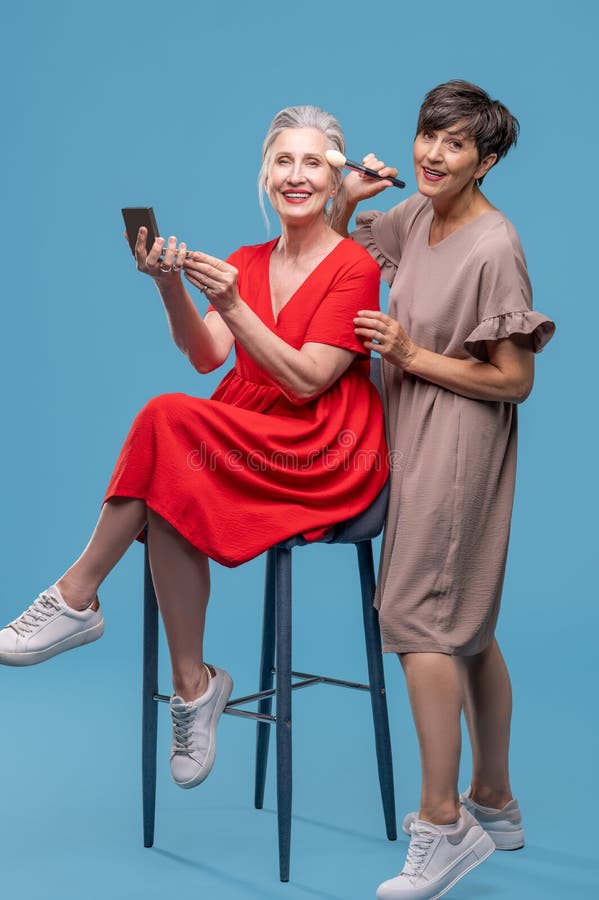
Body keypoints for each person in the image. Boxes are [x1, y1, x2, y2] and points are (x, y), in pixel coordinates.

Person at [0, 105, 388, 792]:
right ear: (264, 173)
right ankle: (192, 687)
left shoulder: (353, 265)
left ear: (335, 179)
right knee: (166, 476)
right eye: (281, 161)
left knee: (164, 423)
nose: (294, 175)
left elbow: (306, 383)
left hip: (318, 447)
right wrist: (167, 282)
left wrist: (236, 306)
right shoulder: (246, 259)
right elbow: (207, 356)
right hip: (244, 430)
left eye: (310, 163)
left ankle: (76, 599)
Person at [330, 81, 555, 900]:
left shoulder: (495, 246)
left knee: (416, 614)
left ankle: (442, 826)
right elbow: (333, 263)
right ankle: (492, 800)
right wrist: (347, 196)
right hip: (409, 432)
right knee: (463, 624)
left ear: (484, 161)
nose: (432, 153)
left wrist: (410, 353)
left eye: (454, 144)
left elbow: (515, 380)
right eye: (429, 134)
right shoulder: (417, 216)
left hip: (459, 442)